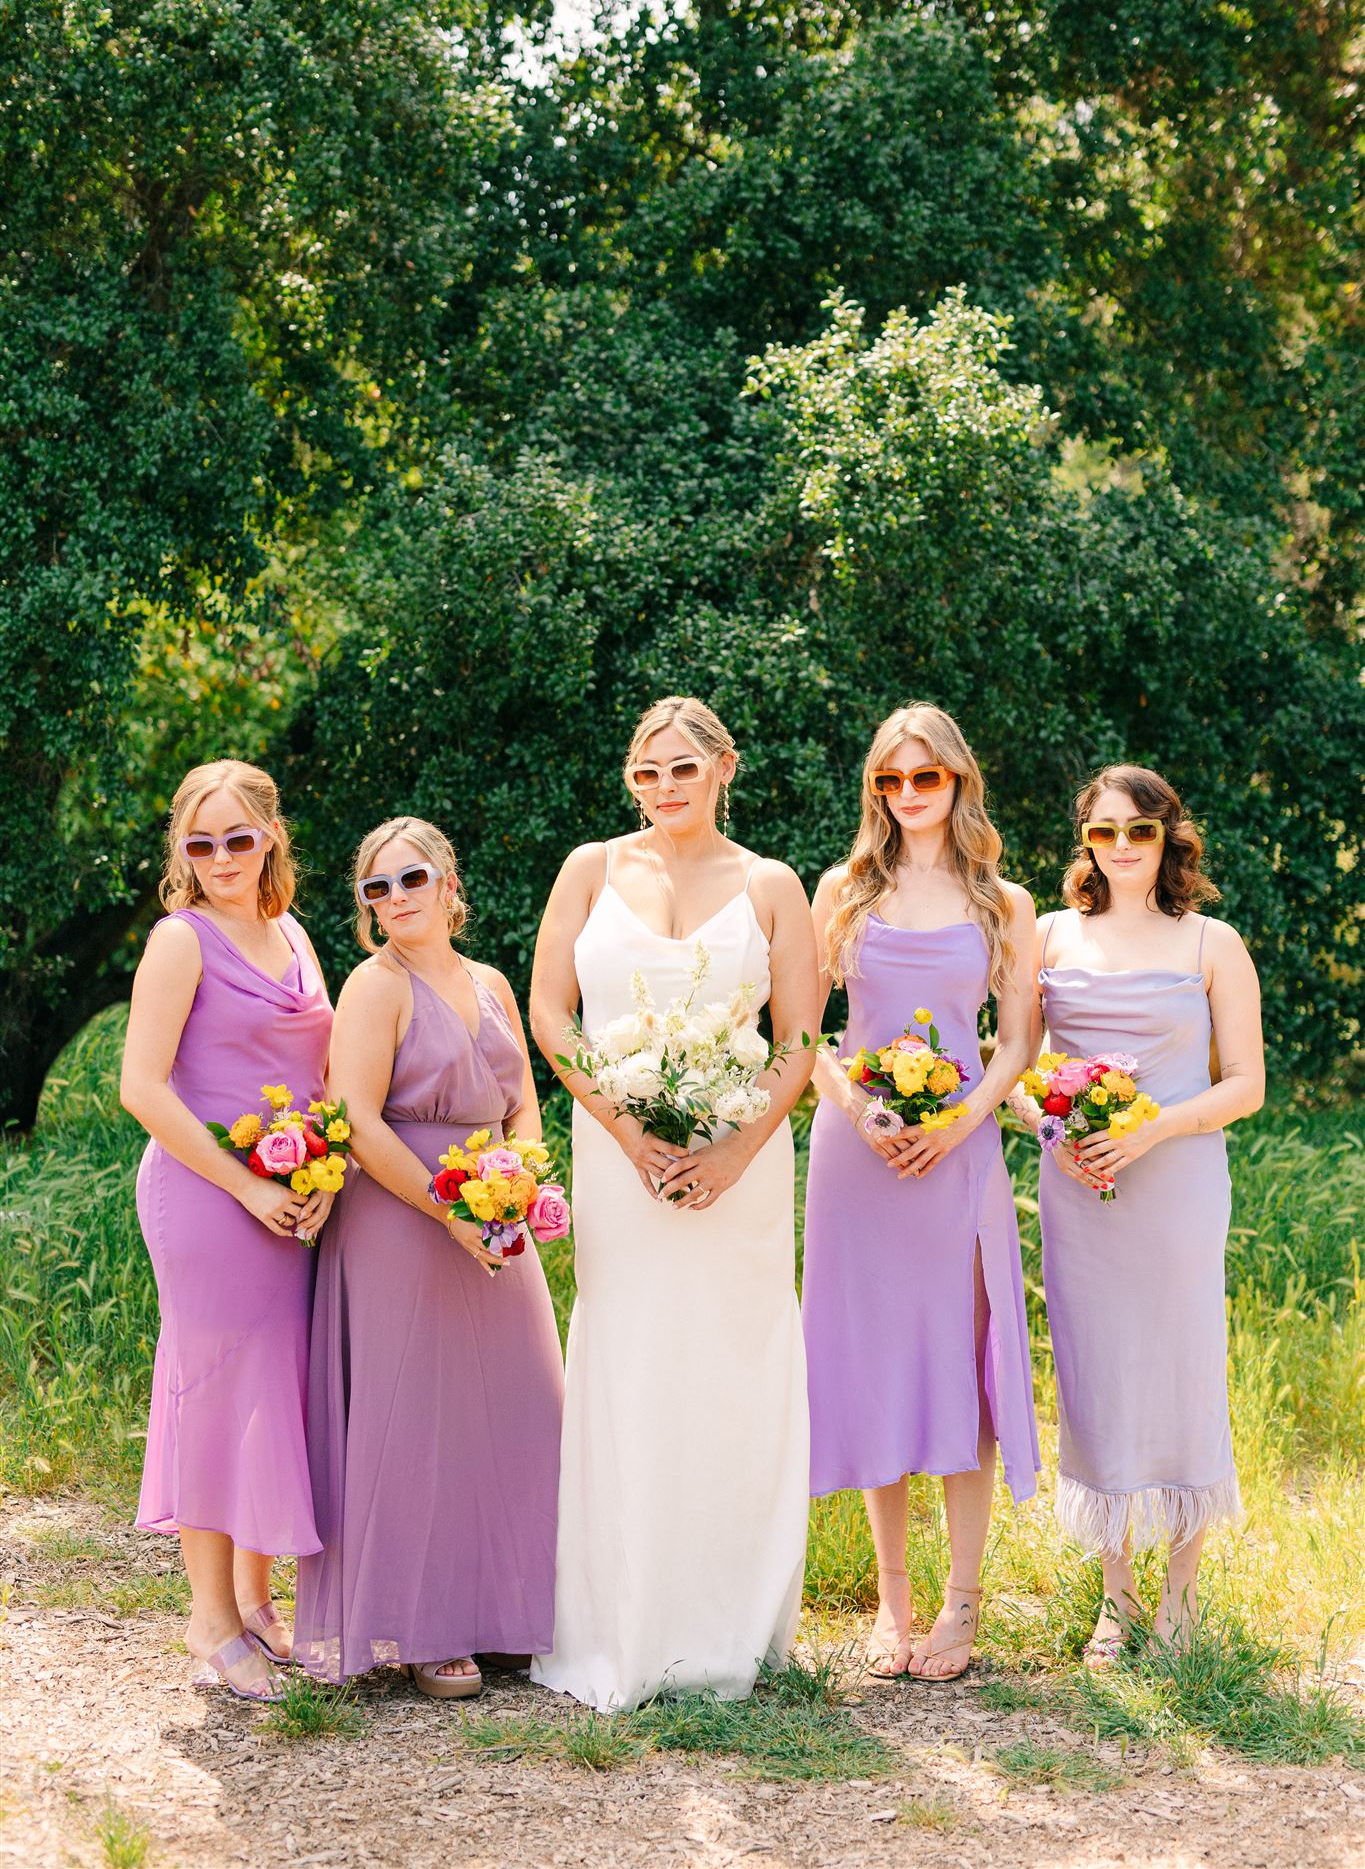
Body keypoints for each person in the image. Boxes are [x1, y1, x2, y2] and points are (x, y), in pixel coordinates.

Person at [529, 697, 819, 1711]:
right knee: (634, 1355)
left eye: (683, 766)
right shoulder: (589, 869)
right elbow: (551, 1010)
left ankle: (734, 1622)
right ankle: (625, 1620)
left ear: (724, 766)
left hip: (742, 1166)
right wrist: (619, 1123)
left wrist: (739, 1145)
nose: (664, 786)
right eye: (647, 770)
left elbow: (798, 1038)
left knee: (734, 1363)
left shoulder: (773, 884)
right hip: (622, 1157)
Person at [294, 818, 564, 1696]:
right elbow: (359, 1118)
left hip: (494, 1215)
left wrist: (516, 1175)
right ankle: (424, 1627)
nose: (395, 898)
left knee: (522, 1401)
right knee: (415, 1418)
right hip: (402, 1217)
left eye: (410, 879)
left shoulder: (489, 981)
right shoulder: (376, 987)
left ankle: (504, 1611)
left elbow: (523, 1098)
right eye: (376, 888)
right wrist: (448, 1210)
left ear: (450, 883)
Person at [802, 703, 1039, 1681]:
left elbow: (1019, 1038)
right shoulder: (843, 890)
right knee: (876, 1367)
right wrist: (860, 1112)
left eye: (925, 778)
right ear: (876, 788)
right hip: (857, 1154)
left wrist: (961, 1116)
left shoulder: (1003, 902)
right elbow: (803, 1031)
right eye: (890, 780)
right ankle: (891, 1600)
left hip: (959, 1150)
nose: (908, 795)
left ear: (957, 779)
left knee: (957, 1367)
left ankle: (963, 1601)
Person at [1026, 765, 1264, 1662]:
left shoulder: (1211, 942)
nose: (1120, 848)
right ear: (1083, 839)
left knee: (1179, 1365)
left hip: (1176, 1184)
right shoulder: (1046, 937)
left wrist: (1154, 1126)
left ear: (1168, 839)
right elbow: (1019, 1067)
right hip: (1080, 1185)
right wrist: (1061, 1130)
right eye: (1103, 832)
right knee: (1096, 1373)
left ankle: (1179, 1592)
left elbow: (1245, 1084)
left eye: (1140, 832)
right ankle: (1114, 1592)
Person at [121, 759, 332, 1701]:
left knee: (270, 1390)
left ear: (270, 839)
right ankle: (210, 1622)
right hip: (207, 1198)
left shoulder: (293, 933)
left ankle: (254, 1598)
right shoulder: (181, 941)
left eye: (237, 839)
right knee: (212, 1394)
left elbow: (325, 1075)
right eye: (199, 843)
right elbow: (142, 1089)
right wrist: (246, 1190)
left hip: (292, 1199)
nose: (220, 858)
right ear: (182, 852)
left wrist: (327, 1173)